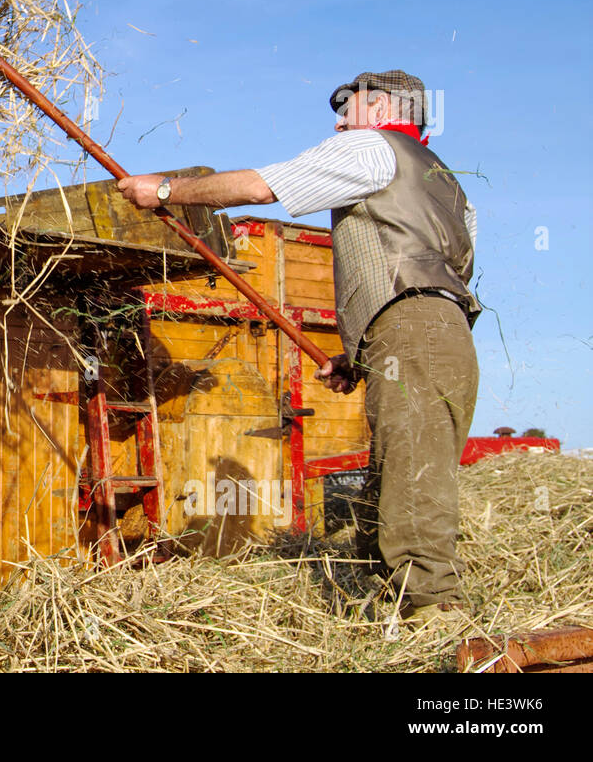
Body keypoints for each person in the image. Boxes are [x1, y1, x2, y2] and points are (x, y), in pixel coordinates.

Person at [117, 70, 480, 627]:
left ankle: (437, 615)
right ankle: (388, 610)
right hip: (437, 332)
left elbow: (265, 187)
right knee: (395, 467)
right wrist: (357, 354)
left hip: (417, 331)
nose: (337, 121)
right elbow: (438, 277)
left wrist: (165, 190)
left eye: (348, 106)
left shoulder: (372, 147)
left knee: (410, 470)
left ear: (382, 107)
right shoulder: (447, 184)